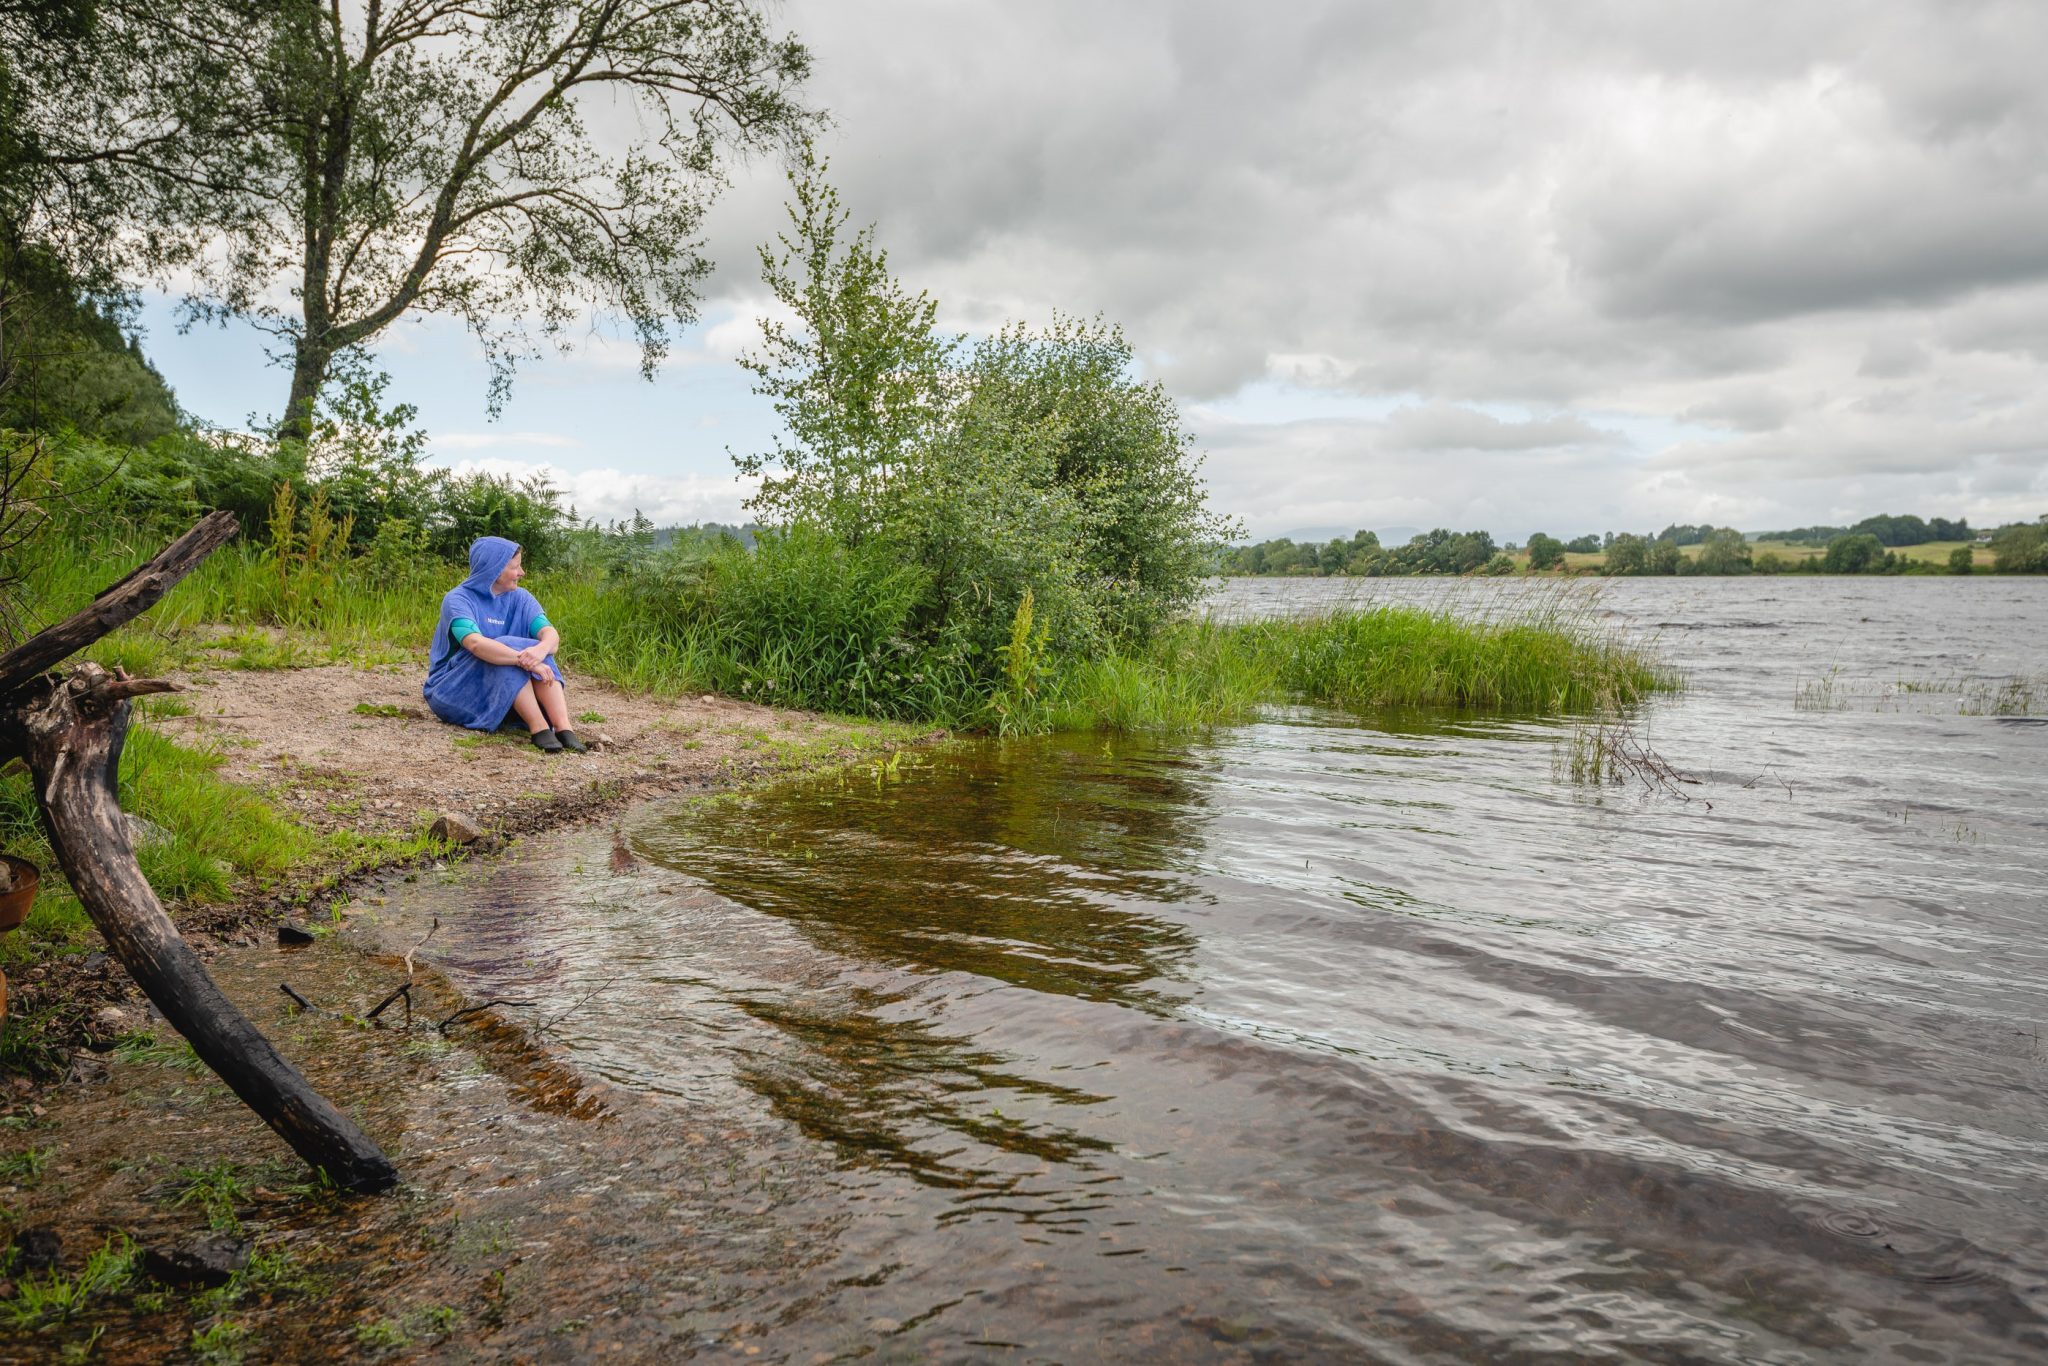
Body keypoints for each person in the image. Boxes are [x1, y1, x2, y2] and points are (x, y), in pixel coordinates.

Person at [423, 536, 588, 753]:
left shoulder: (521, 598)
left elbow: (550, 635)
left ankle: (563, 727)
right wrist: (526, 662)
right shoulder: (458, 599)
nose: (522, 573)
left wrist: (539, 651)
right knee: (504, 645)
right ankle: (539, 727)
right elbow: (475, 644)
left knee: (538, 647)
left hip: (506, 693)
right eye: (515, 567)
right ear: (495, 569)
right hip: (455, 690)